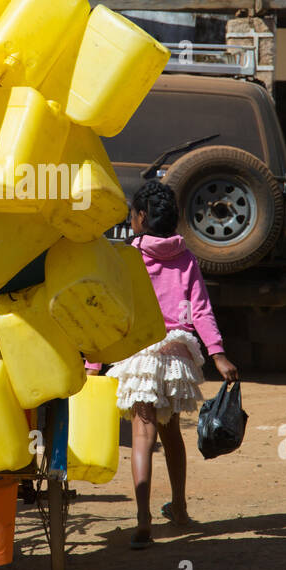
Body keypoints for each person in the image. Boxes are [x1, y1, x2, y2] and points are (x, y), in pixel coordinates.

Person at [108, 180, 238, 549]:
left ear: (142, 217)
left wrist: (93, 361)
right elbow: (200, 310)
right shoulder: (186, 257)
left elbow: (111, 310)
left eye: (132, 213)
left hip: (140, 353)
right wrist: (217, 353)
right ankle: (179, 508)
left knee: (142, 438)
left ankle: (143, 518)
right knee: (172, 435)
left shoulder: (127, 256)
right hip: (176, 354)